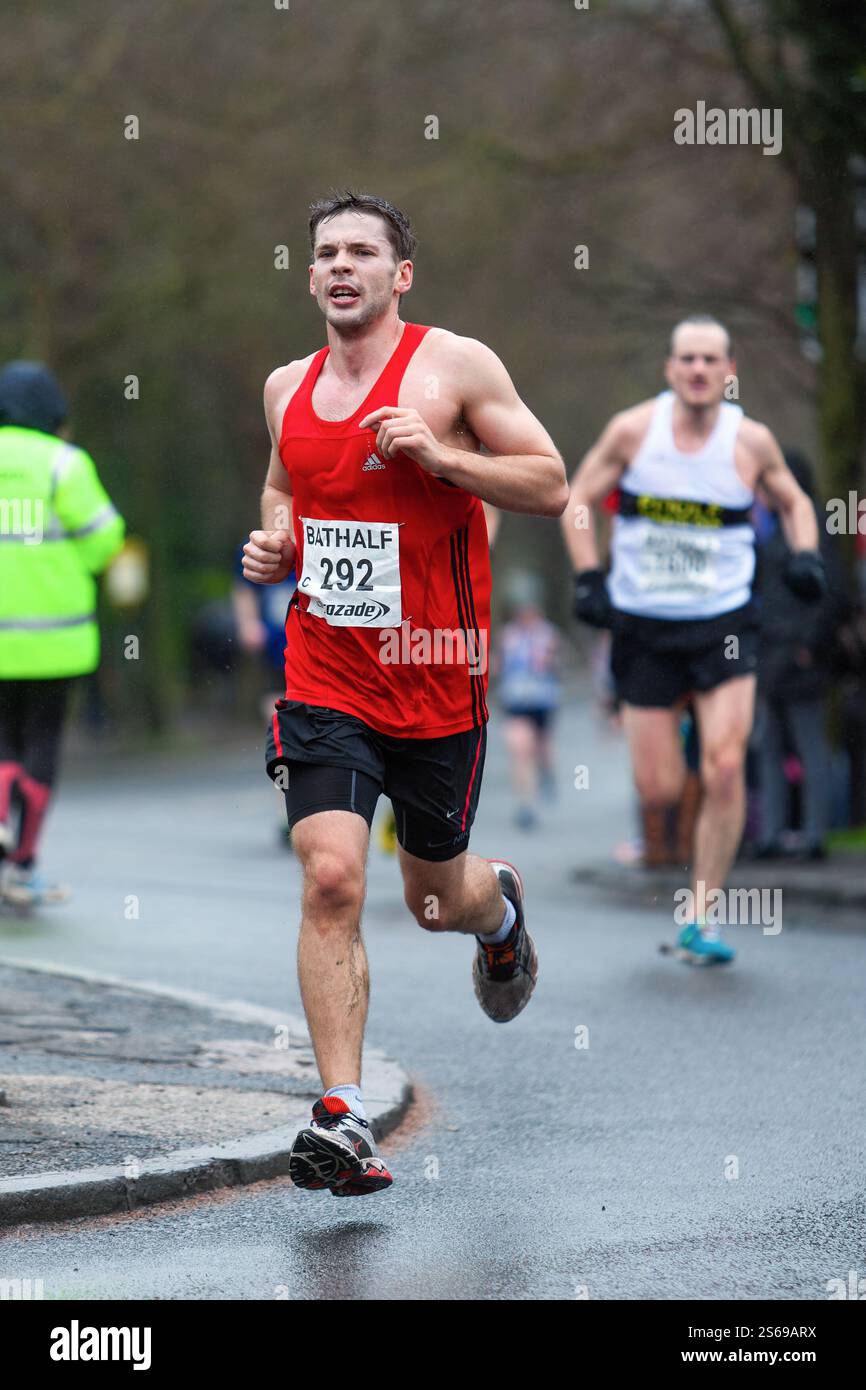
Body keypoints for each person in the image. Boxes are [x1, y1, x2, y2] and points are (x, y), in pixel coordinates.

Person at [242, 192, 567, 1195]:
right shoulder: (284, 386)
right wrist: (274, 538)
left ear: (399, 275)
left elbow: (549, 482)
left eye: (362, 253)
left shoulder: (453, 366)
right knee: (332, 877)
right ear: (308, 277)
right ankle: (340, 1113)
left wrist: (442, 458)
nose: (342, 266)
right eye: (325, 253)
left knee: (433, 900)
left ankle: (496, 912)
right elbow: (284, 486)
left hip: (439, 675)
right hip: (326, 673)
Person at [562, 316, 825, 965]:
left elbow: (795, 502)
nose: (699, 370)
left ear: (730, 371)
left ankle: (701, 916)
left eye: (711, 360)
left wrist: (807, 556)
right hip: (645, 627)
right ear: (670, 370)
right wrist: (589, 574)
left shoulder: (751, 440)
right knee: (658, 792)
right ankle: (684, 762)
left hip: (724, 625)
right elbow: (576, 498)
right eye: (687, 359)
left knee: (728, 766)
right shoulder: (633, 431)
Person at [0, 361, 124, 906]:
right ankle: (23, 865)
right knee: (42, 744)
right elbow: (104, 541)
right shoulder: (63, 465)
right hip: (56, 640)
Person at [752, 450, 848, 859]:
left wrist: (809, 646)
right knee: (769, 747)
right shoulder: (771, 530)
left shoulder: (817, 531)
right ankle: (772, 835)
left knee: (811, 748)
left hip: (800, 659)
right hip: (769, 657)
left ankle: (814, 836)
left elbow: (834, 595)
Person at [496, 580, 561, 829]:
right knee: (521, 750)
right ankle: (526, 804)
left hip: (542, 701)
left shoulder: (548, 634)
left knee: (542, 747)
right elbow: (499, 666)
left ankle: (547, 773)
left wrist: (550, 661)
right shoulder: (507, 636)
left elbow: (559, 667)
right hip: (516, 702)